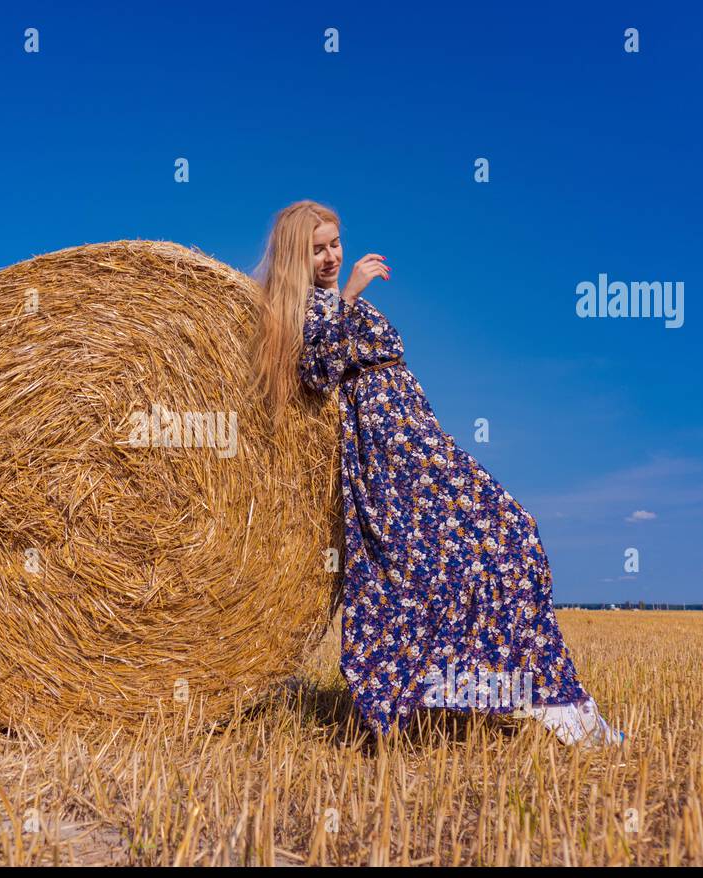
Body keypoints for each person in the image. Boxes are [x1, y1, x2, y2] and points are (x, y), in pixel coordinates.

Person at [252, 200, 625, 748]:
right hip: (389, 449)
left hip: (419, 438)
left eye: (334, 243)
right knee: (460, 554)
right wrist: (349, 295)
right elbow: (315, 372)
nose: (332, 256)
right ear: (294, 256)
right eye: (317, 249)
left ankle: (523, 690)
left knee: (512, 531)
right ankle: (528, 703)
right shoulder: (303, 309)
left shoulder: (328, 303)